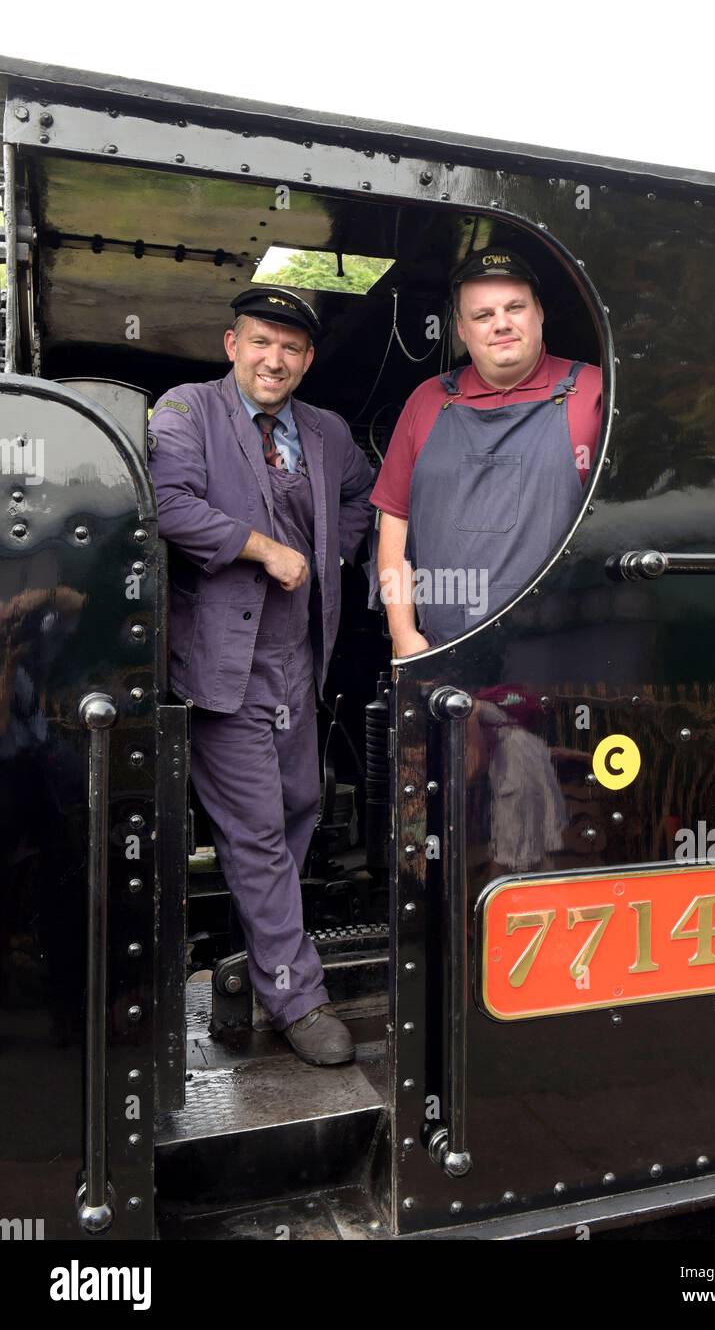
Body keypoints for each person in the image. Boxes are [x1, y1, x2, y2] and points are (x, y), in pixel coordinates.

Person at [147, 286, 373, 1065]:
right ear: (230, 345)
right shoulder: (186, 411)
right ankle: (294, 995)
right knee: (256, 830)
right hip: (224, 662)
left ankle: (262, 947)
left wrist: (335, 556)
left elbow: (361, 494)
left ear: (307, 361)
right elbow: (166, 504)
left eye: (291, 348)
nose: (274, 359)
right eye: (260, 342)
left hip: (296, 656)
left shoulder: (327, 431)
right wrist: (262, 547)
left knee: (301, 803)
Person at [371, 249, 603, 653]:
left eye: (515, 308)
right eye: (483, 315)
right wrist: (404, 635)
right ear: (461, 328)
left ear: (540, 313)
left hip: (562, 652)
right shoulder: (426, 401)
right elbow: (395, 522)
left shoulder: (595, 391)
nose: (502, 324)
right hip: (442, 651)